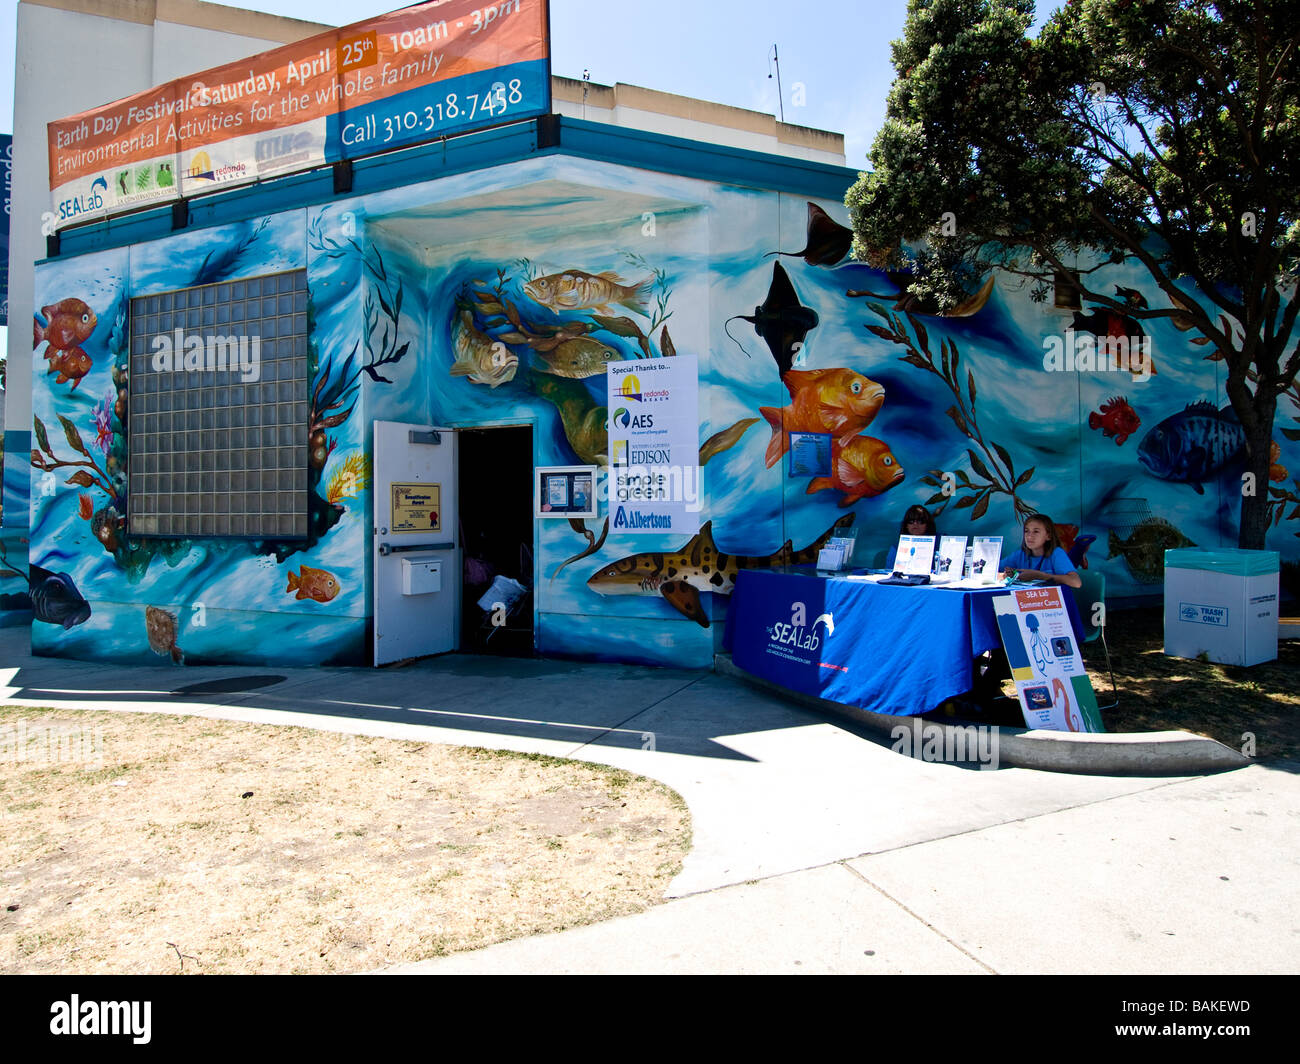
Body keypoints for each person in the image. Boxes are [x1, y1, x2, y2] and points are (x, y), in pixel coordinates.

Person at [1002, 513, 1082, 589]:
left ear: (1048, 536)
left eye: (1036, 531)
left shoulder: (1056, 553)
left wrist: (1040, 576)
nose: (1029, 536)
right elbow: (993, 571)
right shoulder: (1020, 554)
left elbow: (1076, 582)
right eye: (1026, 531)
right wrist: (1008, 574)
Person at [884, 505, 938, 569]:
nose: (915, 524)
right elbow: (889, 573)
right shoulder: (896, 548)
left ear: (927, 525)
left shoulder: (939, 544)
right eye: (911, 521)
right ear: (906, 525)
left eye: (920, 521)